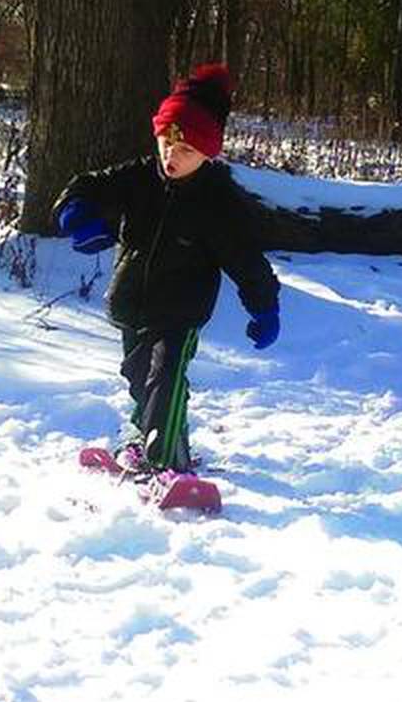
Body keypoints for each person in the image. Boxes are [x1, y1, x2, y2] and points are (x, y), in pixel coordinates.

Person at [51, 63, 280, 476]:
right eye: (168, 142)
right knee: (141, 379)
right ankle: (151, 441)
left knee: (166, 378)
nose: (172, 156)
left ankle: (167, 465)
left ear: (209, 153)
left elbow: (248, 261)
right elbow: (85, 186)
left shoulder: (220, 204)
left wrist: (265, 308)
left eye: (187, 150)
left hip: (179, 313)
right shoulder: (139, 178)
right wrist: (74, 213)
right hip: (131, 304)